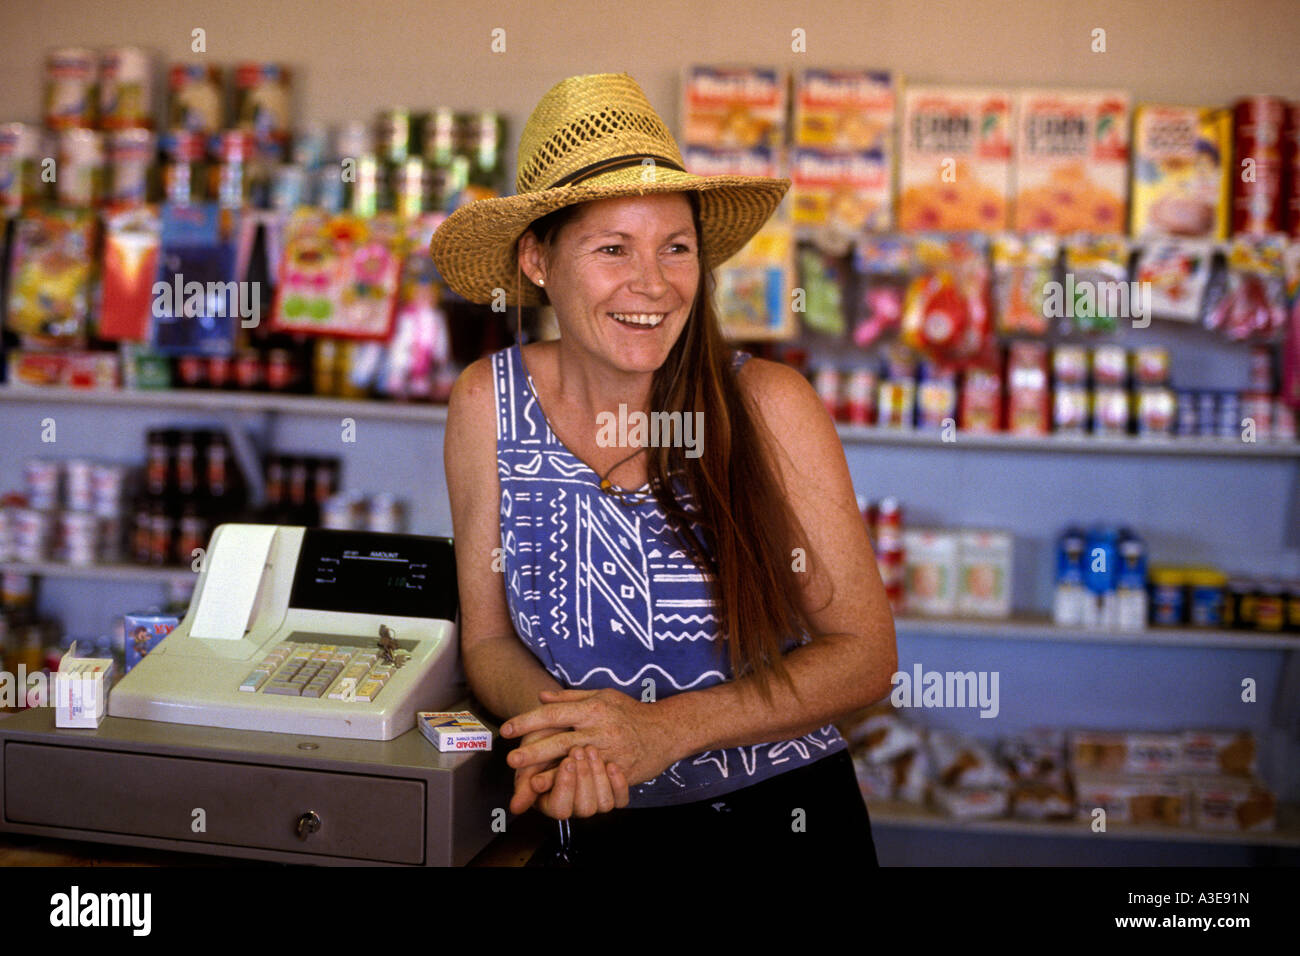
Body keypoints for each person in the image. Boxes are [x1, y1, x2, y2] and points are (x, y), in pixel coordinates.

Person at [432, 73, 897, 866]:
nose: (652, 284)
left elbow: (864, 656)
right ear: (537, 259)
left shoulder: (768, 406)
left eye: (674, 248)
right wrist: (583, 743)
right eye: (613, 248)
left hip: (779, 827)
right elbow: (488, 639)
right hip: (592, 819)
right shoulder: (487, 402)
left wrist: (659, 732)